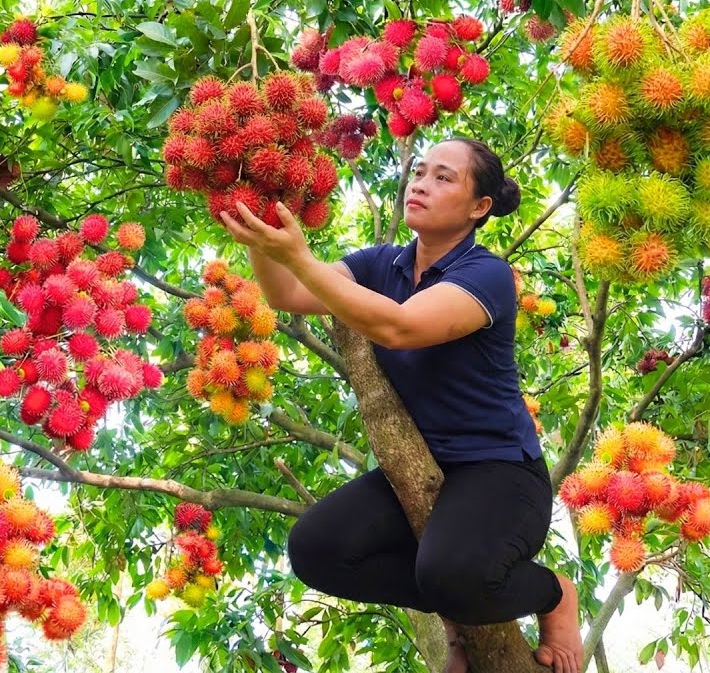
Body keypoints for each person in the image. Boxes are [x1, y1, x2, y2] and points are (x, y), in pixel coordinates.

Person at [219, 138, 583, 673]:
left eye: (443, 177)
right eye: (419, 172)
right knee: (316, 551)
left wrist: (298, 255)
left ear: (479, 207)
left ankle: (554, 594)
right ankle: (457, 610)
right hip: (425, 465)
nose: (420, 183)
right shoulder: (380, 263)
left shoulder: (488, 275)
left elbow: (400, 327)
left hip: (501, 471)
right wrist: (260, 233)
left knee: (453, 576)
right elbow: (288, 295)